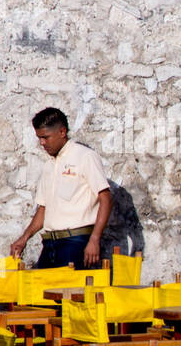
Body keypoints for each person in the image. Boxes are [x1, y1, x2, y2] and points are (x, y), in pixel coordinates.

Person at [9, 108, 112, 269]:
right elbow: (43, 208)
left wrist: (94, 239)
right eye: (39, 138)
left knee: (69, 292)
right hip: (49, 243)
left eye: (45, 137)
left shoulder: (85, 156)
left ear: (62, 132)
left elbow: (105, 198)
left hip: (76, 242)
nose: (42, 143)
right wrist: (24, 238)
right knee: (41, 292)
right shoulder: (49, 164)